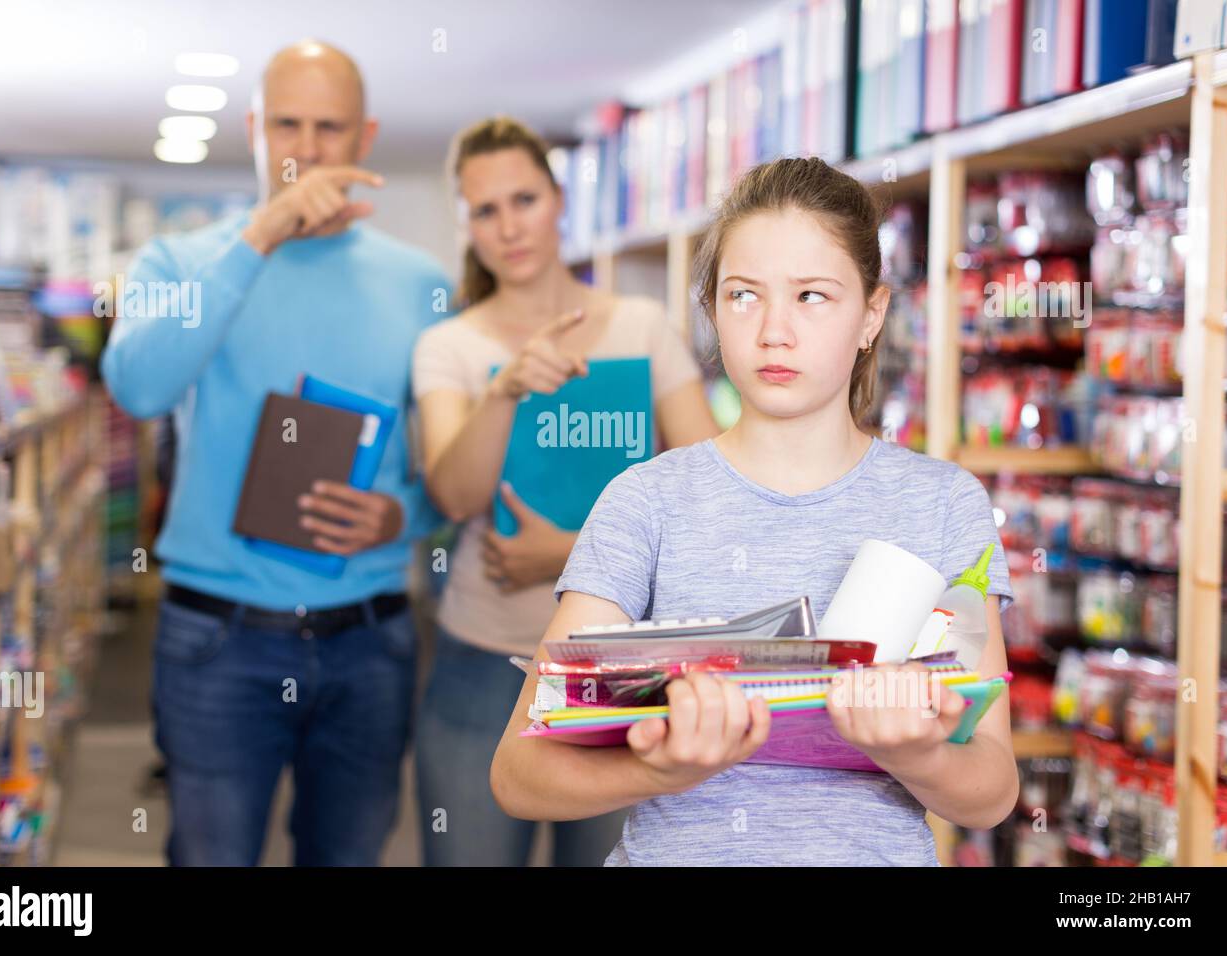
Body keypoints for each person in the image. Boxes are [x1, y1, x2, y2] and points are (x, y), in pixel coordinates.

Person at [490, 156, 1019, 866]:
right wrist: (658, 770)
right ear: (711, 310)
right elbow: (519, 775)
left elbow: (990, 793)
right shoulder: (645, 501)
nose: (775, 330)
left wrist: (916, 750)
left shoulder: (942, 503)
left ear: (872, 314)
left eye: (813, 296)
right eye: (744, 296)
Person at [100, 40, 450, 866]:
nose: (308, 147)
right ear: (254, 129)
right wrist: (257, 238)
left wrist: (406, 512)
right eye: (287, 123)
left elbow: (454, 462)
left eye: (329, 127)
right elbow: (136, 387)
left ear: (364, 139)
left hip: (371, 640)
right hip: (217, 640)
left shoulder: (420, 282)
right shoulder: (183, 261)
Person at [411, 116, 718, 865]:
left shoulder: (642, 327)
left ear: (558, 200)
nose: (509, 226)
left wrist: (566, 555)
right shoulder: (448, 344)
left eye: (524, 200)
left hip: (625, 666)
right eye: (485, 210)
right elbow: (453, 496)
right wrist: (506, 391)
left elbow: (713, 490)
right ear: (466, 225)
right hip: (483, 661)